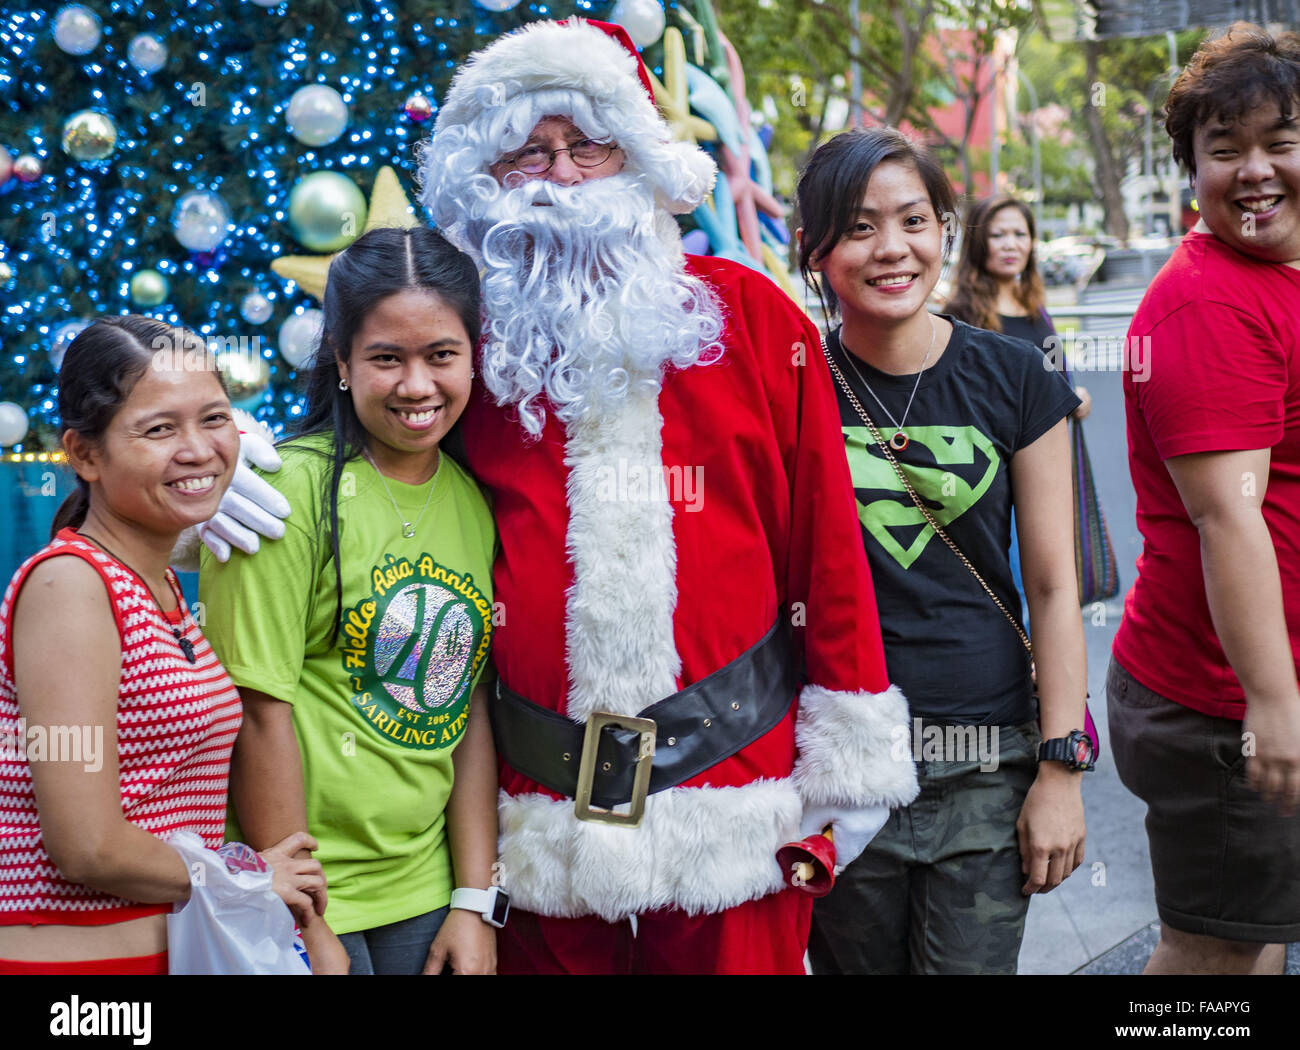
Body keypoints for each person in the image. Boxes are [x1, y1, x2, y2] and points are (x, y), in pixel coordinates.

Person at [210, 18, 919, 975]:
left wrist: (852, 743)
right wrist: (228, 463)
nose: (562, 176)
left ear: (639, 158)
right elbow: (365, 437)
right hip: (533, 824)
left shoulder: (749, 318)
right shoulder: (463, 346)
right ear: (482, 176)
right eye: (528, 152)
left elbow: (826, 545)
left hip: (735, 806)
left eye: (589, 146)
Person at [795, 129, 1090, 974]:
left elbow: (1054, 585)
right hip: (839, 766)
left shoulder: (1017, 375)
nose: (892, 248)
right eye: (859, 226)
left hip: (986, 762)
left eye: (914, 220)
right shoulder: (791, 383)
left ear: (944, 230)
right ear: (814, 249)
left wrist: (1061, 769)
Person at [199, 227, 501, 976]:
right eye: (386, 358)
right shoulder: (282, 495)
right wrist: (305, 920)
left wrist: (473, 900)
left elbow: (467, 708)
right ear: (340, 360)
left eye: (441, 355)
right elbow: (256, 709)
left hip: (426, 892)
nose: (417, 386)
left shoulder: (476, 500)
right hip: (307, 896)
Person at [0, 316, 323, 974]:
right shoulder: (70, 586)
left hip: (174, 951)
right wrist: (249, 877)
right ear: (84, 455)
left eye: (214, 418)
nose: (198, 449)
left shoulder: (161, 583)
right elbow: (85, 844)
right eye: (159, 429)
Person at [1108, 22, 1300, 974]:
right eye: (1225, 149)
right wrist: (1273, 701)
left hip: (1259, 689)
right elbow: (1230, 516)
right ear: (1192, 170)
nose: (1254, 170)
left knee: (1255, 938)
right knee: (1213, 955)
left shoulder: (1279, 277)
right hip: (1221, 703)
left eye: (1280, 141)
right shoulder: (1208, 304)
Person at [944, 194, 1093, 616]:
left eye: (1020, 234)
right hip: (991, 478)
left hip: (1045, 469)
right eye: (998, 235)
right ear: (979, 244)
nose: (1011, 244)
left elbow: (1057, 381)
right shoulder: (959, 315)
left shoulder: (1036, 311)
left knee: (1051, 579)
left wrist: (1076, 399)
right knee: (1016, 587)